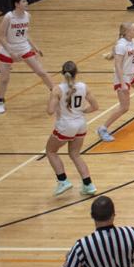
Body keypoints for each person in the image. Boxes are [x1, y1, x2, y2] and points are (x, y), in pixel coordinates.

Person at [46, 61, 98, 196]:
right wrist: (83, 111)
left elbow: (50, 111)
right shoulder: (83, 86)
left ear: (62, 73)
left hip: (65, 125)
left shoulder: (57, 89)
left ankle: (62, 180)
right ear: (77, 73)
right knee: (75, 154)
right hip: (81, 124)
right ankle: (88, 184)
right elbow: (95, 106)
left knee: (51, 151)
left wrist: (52, 97)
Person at [0, 0, 54, 113]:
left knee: (41, 72)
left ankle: (56, 93)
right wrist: (11, 52)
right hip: (8, 49)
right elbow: (0, 37)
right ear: (17, 4)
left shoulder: (28, 15)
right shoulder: (8, 17)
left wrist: (35, 47)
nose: (26, 3)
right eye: (24, 1)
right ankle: (0, 101)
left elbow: (25, 33)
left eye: (26, 1)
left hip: (24, 47)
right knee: (4, 79)